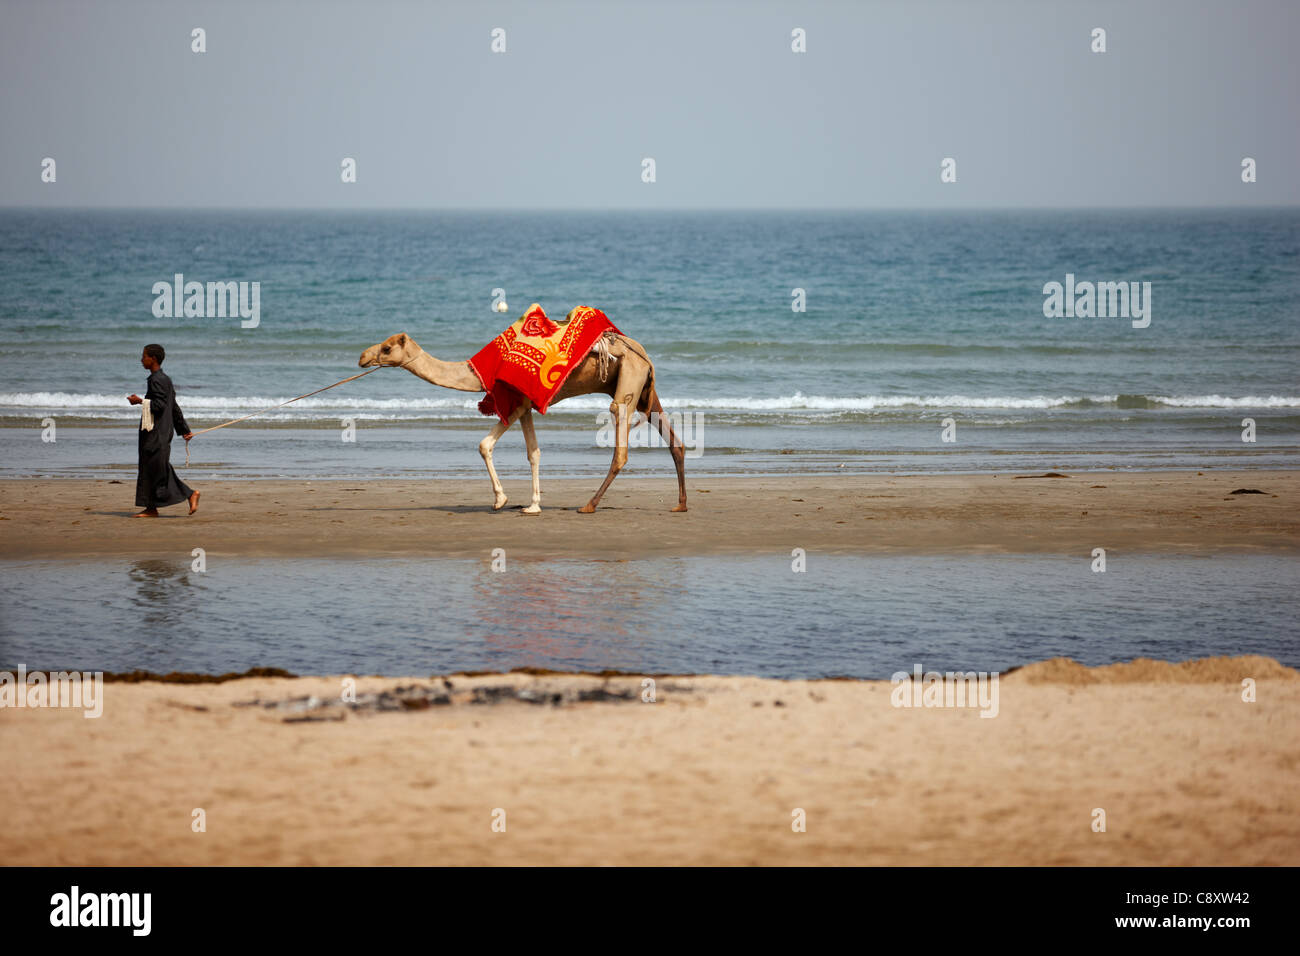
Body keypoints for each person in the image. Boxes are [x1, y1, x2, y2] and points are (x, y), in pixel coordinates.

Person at [127, 344, 200, 517]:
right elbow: (173, 406)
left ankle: (190, 494)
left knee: (158, 469)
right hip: (160, 431)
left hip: (156, 432)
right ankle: (151, 508)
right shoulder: (163, 378)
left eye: (144, 356)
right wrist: (184, 430)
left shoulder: (156, 380)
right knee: (153, 468)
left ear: (153, 359)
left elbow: (159, 406)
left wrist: (139, 401)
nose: (141, 359)